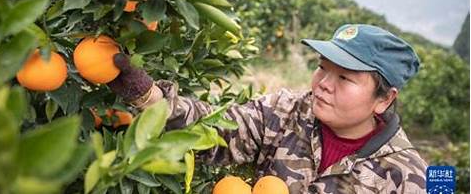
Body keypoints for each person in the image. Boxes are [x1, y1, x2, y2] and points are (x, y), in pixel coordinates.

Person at [108, 24, 428, 194]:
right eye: (322, 68)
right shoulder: (285, 111)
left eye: (344, 77)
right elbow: (214, 131)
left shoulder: (409, 177)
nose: (323, 84)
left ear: (384, 99)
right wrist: (149, 99)